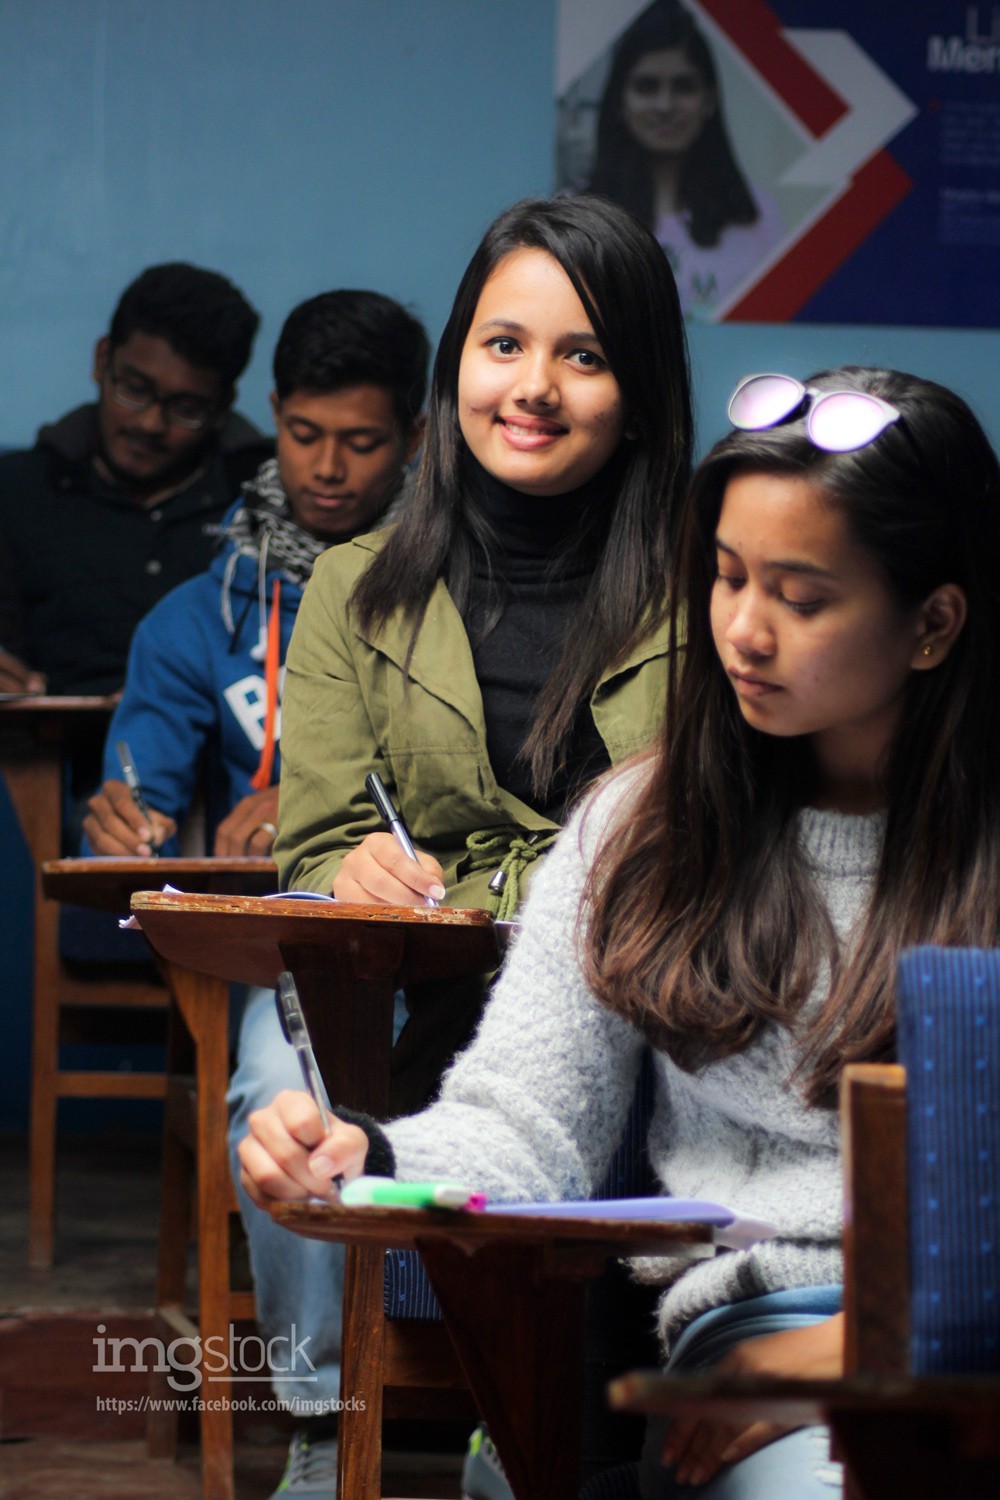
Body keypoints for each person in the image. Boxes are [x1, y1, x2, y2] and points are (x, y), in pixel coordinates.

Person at [239, 365, 1000, 1500]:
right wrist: (369, 1159)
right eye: (727, 577)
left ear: (933, 623)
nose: (741, 630)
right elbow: (526, 1125)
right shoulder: (639, 830)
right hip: (758, 1335)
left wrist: (889, 1349)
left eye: (799, 597)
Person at [228, 194, 693, 1495]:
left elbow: (718, 844)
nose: (532, 387)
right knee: (328, 1092)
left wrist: (524, 893)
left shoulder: (716, 584)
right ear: (456, 374)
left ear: (643, 393)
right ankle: (454, 1431)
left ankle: (542, 1434)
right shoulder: (354, 585)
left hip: (656, 1006)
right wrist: (344, 868)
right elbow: (316, 835)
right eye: (502, 346)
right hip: (436, 1005)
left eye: (583, 355)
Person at [82, 288, 429, 860]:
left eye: (361, 443)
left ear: (414, 439)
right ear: (274, 414)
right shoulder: (194, 621)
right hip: (254, 924)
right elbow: (138, 818)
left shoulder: (470, 590)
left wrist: (313, 803)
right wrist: (119, 832)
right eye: (304, 434)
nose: (326, 469)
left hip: (426, 912)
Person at [0, 261, 268, 697]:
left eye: (185, 407)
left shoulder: (267, 497)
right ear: (102, 359)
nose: (149, 423)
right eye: (134, 388)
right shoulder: (15, 491)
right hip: (51, 750)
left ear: (222, 407)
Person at [583, 0, 784, 320]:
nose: (665, 105)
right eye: (647, 87)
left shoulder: (759, 219)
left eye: (684, 86)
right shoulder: (576, 217)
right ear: (619, 100)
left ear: (710, 98)